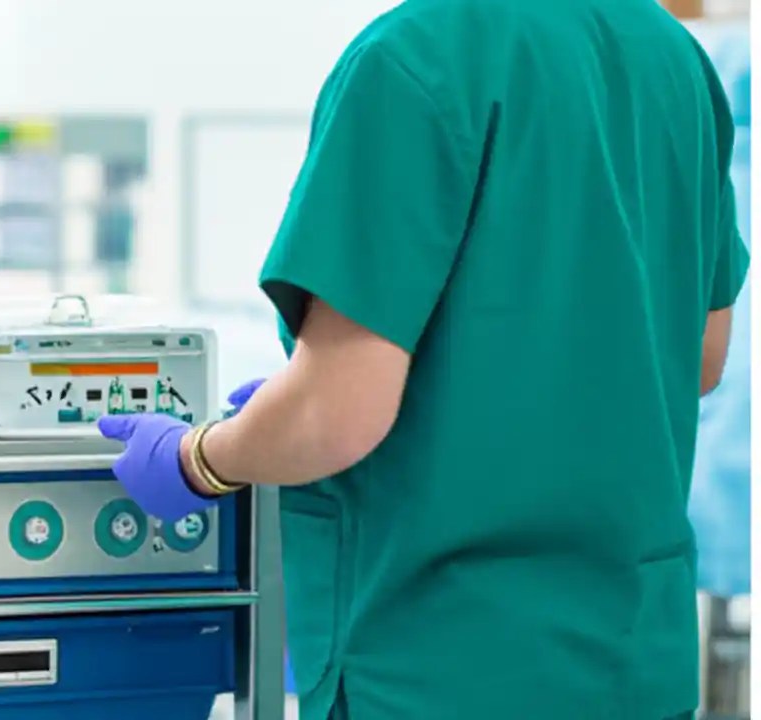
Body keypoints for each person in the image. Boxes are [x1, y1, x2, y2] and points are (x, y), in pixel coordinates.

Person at [97, 0, 749, 718]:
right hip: (632, 667)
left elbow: (336, 415)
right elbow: (700, 359)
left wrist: (199, 459)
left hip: (444, 667)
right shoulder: (672, 57)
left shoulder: (414, 57)